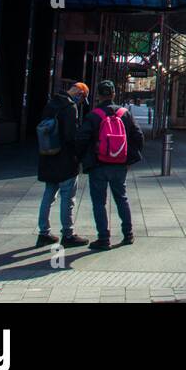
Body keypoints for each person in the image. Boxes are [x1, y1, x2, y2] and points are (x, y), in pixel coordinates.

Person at [75, 80, 143, 250]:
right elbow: (138, 136)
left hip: (98, 165)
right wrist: (129, 159)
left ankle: (104, 239)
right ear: (113, 94)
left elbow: (81, 139)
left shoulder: (93, 116)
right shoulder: (125, 114)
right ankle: (128, 235)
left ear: (98, 95)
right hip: (120, 165)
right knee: (122, 198)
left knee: (99, 202)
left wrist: (83, 160)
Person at [36, 82, 89, 247]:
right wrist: (78, 157)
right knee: (68, 198)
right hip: (65, 160)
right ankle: (68, 233)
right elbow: (70, 136)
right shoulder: (70, 107)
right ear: (79, 93)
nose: (81, 103)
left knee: (48, 196)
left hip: (48, 157)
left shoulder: (51, 103)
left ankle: (43, 233)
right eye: (82, 99)